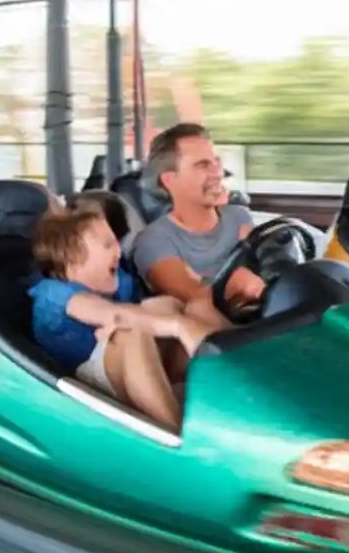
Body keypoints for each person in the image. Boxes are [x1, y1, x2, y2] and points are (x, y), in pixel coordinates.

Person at [30, 205, 217, 431]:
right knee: (131, 331)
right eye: (107, 245)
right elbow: (115, 316)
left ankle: (232, 380)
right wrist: (178, 326)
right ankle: (173, 431)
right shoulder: (54, 293)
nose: (118, 251)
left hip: (122, 371)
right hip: (83, 389)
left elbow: (148, 309)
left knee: (176, 305)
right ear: (72, 262)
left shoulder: (115, 282)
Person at [131, 123, 263, 310]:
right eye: (202, 165)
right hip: (211, 335)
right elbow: (195, 296)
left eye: (216, 161)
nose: (217, 173)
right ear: (169, 180)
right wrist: (238, 285)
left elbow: (266, 264)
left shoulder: (238, 216)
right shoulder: (154, 240)